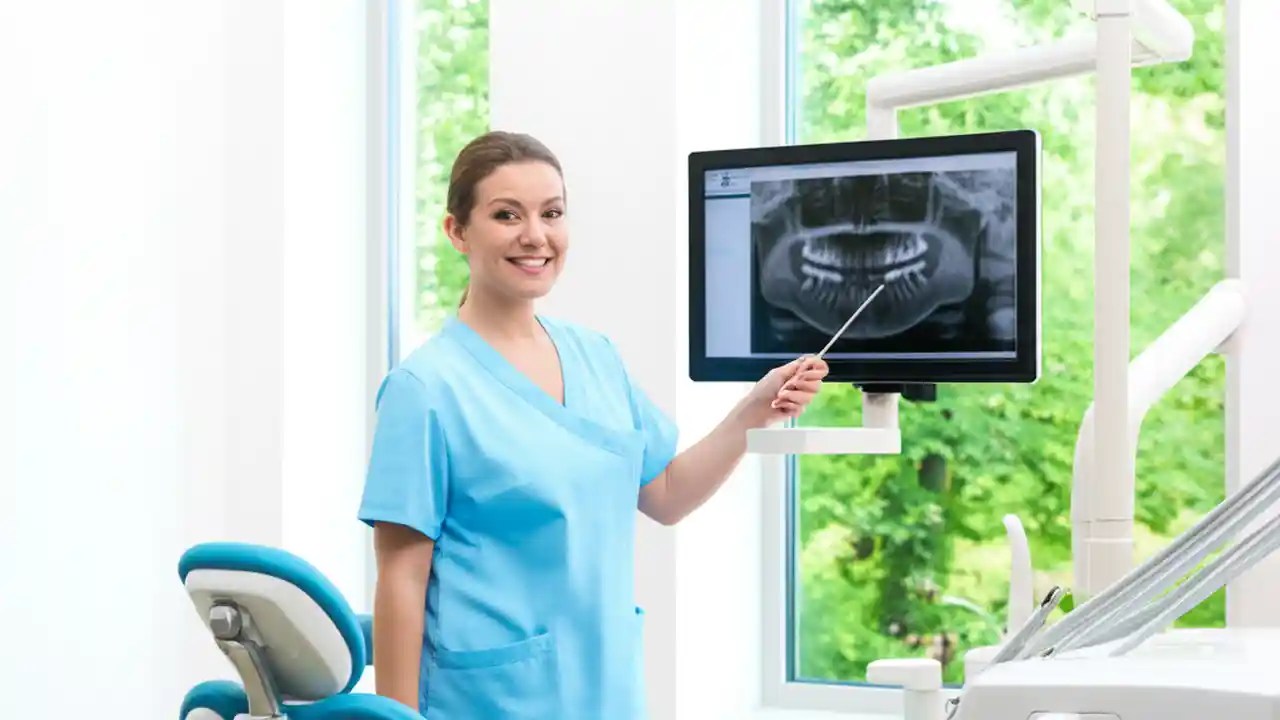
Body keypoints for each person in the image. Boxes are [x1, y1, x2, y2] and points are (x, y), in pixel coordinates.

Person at [357, 130, 829, 718]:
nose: (536, 235)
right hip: (486, 701)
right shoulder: (425, 390)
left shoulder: (595, 357)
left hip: (606, 691)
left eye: (551, 213)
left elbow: (665, 494)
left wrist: (753, 410)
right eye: (507, 215)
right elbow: (401, 581)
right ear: (457, 231)